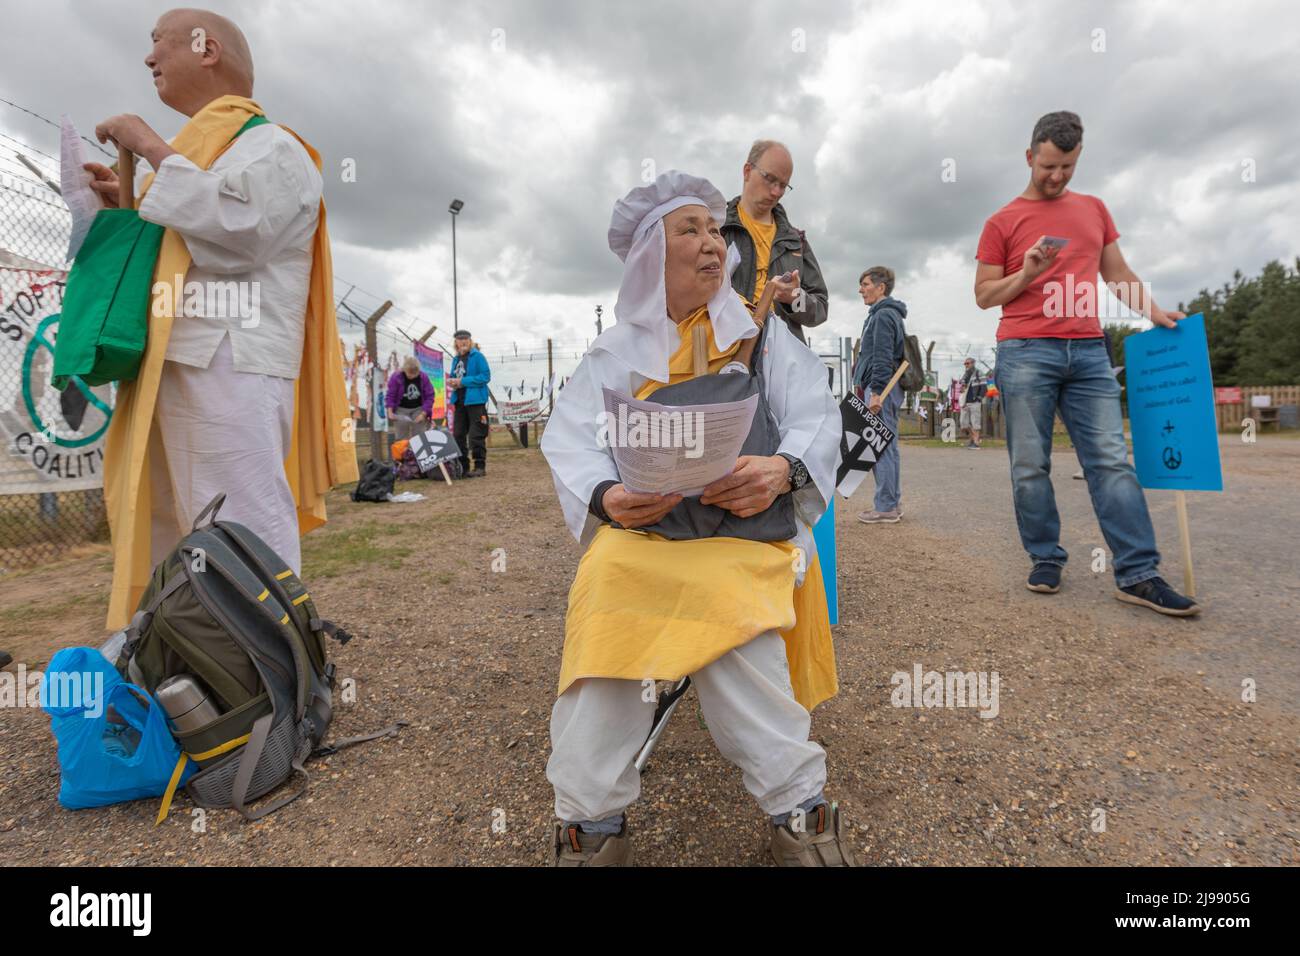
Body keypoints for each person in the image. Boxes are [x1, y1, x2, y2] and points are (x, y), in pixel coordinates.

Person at [540, 171, 854, 867]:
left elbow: (816, 420)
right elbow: (569, 439)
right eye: (692, 230)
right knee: (608, 602)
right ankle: (589, 824)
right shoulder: (613, 355)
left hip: (742, 535)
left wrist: (783, 471)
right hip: (644, 534)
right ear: (654, 253)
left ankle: (799, 809)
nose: (713, 242)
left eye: (716, 230)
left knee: (735, 621)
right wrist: (606, 496)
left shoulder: (765, 341)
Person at [86, 8, 355, 629]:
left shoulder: (273, 146)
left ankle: (267, 682)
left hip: (230, 364)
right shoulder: (199, 155)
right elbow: (177, 241)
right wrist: (123, 199)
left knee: (237, 525)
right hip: (170, 364)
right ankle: (185, 671)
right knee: (169, 526)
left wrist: (151, 147)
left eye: (158, 43)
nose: (149, 59)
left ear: (206, 49)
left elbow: (241, 230)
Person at [974, 111, 1199, 616]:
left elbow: (1117, 273)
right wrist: (1027, 273)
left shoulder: (1094, 209)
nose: (1057, 177)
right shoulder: (1002, 222)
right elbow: (985, 296)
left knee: (1112, 461)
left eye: (1068, 167)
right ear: (1030, 156)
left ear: (1079, 159)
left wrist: (1155, 312)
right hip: (1026, 351)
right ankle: (1045, 556)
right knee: (1030, 466)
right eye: (1048, 166)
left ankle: (1138, 573)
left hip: (1089, 350)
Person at [722, 140, 829, 343]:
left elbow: (820, 309)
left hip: (781, 361)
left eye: (783, 185)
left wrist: (795, 298)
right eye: (770, 179)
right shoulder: (715, 228)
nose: (777, 192)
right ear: (747, 171)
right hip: (723, 356)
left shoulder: (797, 241)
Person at [851, 266, 908, 524]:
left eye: (865, 284)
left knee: (880, 447)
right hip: (884, 388)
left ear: (880, 287)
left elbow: (883, 356)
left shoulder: (883, 316)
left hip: (881, 389)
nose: (861, 290)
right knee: (888, 446)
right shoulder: (883, 315)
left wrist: (875, 392)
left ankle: (885, 506)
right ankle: (891, 503)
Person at [447, 330, 490, 478]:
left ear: (470, 341)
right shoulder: (455, 359)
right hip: (459, 401)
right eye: (460, 340)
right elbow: (455, 376)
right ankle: (463, 467)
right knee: (458, 435)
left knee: (476, 435)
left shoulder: (478, 356)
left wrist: (462, 382)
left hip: (475, 401)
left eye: (466, 339)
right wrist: (453, 382)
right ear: (456, 342)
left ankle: (479, 466)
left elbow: (485, 376)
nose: (463, 342)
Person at [385, 356, 435, 441]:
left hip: (418, 409)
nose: (411, 376)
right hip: (401, 410)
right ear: (404, 369)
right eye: (409, 374)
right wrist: (390, 411)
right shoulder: (396, 377)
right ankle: (403, 453)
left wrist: (423, 414)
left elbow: (430, 396)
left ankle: (418, 453)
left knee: (420, 436)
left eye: (414, 374)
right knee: (401, 436)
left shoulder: (424, 377)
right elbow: (390, 395)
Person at [959, 357, 986, 448]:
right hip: (965, 402)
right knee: (963, 424)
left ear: (973, 363)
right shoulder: (965, 375)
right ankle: (974, 438)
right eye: (965, 364)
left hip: (975, 402)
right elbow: (962, 387)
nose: (966, 365)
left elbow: (984, 387)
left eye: (968, 363)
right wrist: (962, 388)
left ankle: (976, 443)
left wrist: (979, 398)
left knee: (975, 422)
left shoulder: (979, 373)